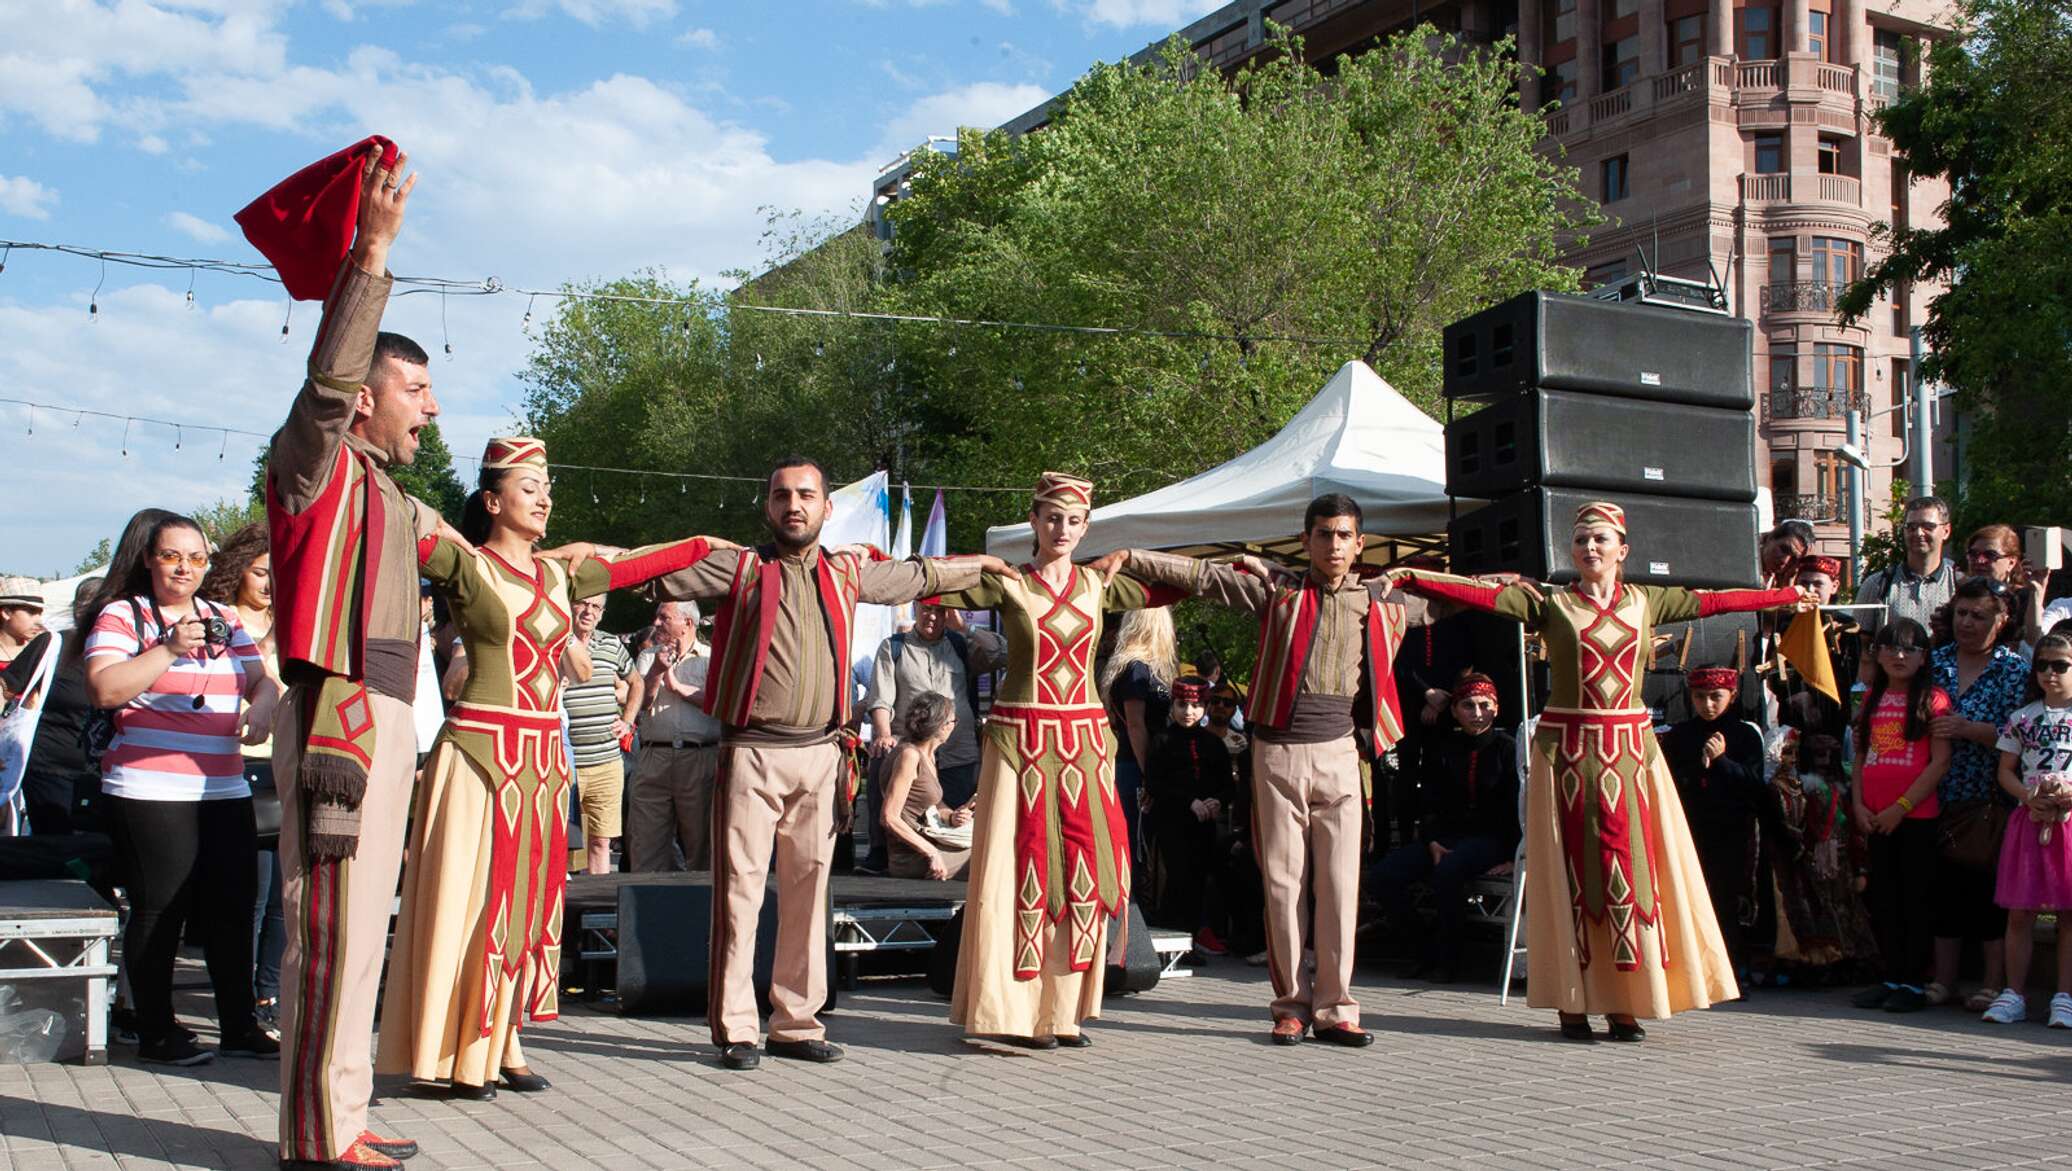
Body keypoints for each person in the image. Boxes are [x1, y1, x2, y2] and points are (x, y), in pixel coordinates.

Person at [377, 437, 725, 1098]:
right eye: (528, 485)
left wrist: (708, 547)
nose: (544, 497)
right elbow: (401, 518)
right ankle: (447, 1051)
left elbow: (637, 564)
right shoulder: (467, 565)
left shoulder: (563, 576)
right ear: (492, 499)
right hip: (480, 753)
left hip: (543, 758)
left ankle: (502, 1040)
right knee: (469, 902)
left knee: (528, 906)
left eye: (547, 485)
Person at [1391, 501, 1813, 1042]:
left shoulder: (1647, 601)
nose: (1590, 548)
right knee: (1572, 876)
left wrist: (1785, 595)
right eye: (1582, 540)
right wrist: (1412, 576)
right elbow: (1485, 594)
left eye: (1601, 540)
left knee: (1632, 875)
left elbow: (1716, 601)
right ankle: (1572, 1002)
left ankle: (1624, 1000)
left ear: (1623, 550)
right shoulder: (1553, 604)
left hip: (1630, 756)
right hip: (1567, 755)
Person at [646, 456, 1005, 1071]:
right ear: (767, 506)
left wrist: (987, 567)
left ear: (825, 508)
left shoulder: (847, 571)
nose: (794, 504)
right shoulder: (739, 566)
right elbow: (658, 572)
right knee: (740, 896)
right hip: (751, 751)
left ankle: (795, 1022)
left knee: (811, 894)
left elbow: (917, 576)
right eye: (782, 494)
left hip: (822, 754)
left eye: (806, 495)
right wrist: (579, 566)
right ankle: (736, 1027)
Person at [1096, 495, 1417, 1048]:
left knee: (1341, 886)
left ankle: (1337, 1007)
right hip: (1277, 754)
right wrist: (1132, 554)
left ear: (1359, 543)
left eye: (1344, 536)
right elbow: (1202, 576)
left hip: (1340, 751)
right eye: (1323, 534)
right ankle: (1291, 1005)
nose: (1333, 545)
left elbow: (1455, 596)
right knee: (1284, 885)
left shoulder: (1380, 599)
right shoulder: (1277, 592)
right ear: (1306, 539)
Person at [929, 472, 1174, 1050]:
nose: (1062, 529)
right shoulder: (1010, 584)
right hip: (1020, 742)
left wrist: (1136, 553)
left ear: (1086, 527)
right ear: (1034, 522)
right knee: (1015, 873)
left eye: (1074, 520)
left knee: (1083, 875)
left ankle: (1062, 1012)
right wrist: (978, 563)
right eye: (1051, 518)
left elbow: (1178, 587)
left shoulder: (1101, 584)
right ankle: (1009, 1012)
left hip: (1085, 746)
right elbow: (931, 589)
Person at [81, 510, 279, 1065]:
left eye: (197, 557)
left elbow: (263, 679)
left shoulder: (221, 616)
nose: (185, 568)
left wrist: (262, 706)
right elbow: (102, 689)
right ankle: (155, 1031)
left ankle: (240, 1026)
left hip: (222, 785)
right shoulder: (125, 616)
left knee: (232, 909)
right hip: (148, 786)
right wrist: (167, 648)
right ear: (148, 558)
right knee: (159, 909)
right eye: (172, 556)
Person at [1367, 672, 1519, 983]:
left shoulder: (1509, 749)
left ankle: (1448, 960)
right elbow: (1429, 801)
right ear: (1454, 710)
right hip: (1445, 837)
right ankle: (1421, 949)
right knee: (1384, 876)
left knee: (1448, 871)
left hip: (1490, 841)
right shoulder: (1444, 747)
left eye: (1484, 705)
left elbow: (1518, 807)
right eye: (1468, 706)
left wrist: (1513, 854)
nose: (1477, 714)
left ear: (1496, 708)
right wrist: (1432, 839)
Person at [198, 524, 288, 1033]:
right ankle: (234, 997)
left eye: (277, 573)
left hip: (286, 758)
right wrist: (273, 636)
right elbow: (245, 671)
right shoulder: (220, 619)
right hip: (237, 760)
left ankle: (269, 993)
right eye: (260, 572)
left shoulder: (293, 616)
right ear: (238, 572)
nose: (270, 583)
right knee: (248, 891)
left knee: (282, 893)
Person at [1928, 575, 2029, 1013]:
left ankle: (1991, 983)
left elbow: (2022, 731)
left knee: (1988, 893)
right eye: (1961, 613)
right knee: (1944, 890)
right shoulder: (1937, 660)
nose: (1967, 623)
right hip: (1936, 791)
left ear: (2001, 619)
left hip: (1989, 798)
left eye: (1978, 616)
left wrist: (1971, 730)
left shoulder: (2014, 669)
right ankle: (1942, 980)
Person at [1847, 619, 1952, 1012]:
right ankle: (1889, 977)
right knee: (1884, 900)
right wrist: (1858, 804)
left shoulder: (1934, 699)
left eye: (1909, 649)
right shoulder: (1871, 697)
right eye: (1890, 648)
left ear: (1924, 657)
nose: (1899, 656)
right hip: (1874, 818)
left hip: (1915, 819)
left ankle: (1912, 982)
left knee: (1915, 900)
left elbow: (1939, 764)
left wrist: (1901, 808)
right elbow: (1860, 757)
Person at [860, 602, 1006, 872]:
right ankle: (883, 852)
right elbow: (880, 698)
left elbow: (1003, 654)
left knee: (955, 821)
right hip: (912, 747)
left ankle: (947, 864)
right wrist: (883, 734)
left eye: (940, 610)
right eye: (927, 609)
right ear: (916, 608)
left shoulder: (960, 645)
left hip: (957, 750)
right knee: (886, 767)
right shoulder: (894, 647)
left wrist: (964, 627)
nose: (932, 616)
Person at [1982, 631, 2072, 1028]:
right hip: (2029, 819)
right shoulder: (2022, 717)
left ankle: (2064, 995)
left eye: (2061, 666)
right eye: (2042, 665)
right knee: (2020, 911)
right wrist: (2028, 796)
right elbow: (2004, 770)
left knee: (2069, 913)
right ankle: (2014, 993)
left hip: (2069, 822)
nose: (2050, 673)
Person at [1660, 666, 1769, 981]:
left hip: (1731, 830)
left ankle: (1731, 970)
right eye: (1700, 697)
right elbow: (1672, 782)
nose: (1708, 705)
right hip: (1691, 828)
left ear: (1732, 696)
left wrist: (1722, 762)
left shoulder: (1745, 735)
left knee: (1726, 900)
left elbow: (1754, 784)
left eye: (1715, 697)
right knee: (1690, 898)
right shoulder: (1680, 735)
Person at [1765, 729, 1879, 979]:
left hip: (1843, 856)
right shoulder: (1799, 787)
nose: (1825, 760)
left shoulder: (1845, 786)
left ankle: (1856, 957)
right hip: (1812, 856)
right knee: (1822, 908)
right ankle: (1830, 960)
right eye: (1818, 755)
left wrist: (1861, 866)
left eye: (1830, 755)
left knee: (1849, 906)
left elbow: (1853, 827)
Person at [2, 577, 104, 836]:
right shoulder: (53, 644)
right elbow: (5, 689)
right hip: (49, 769)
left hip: (103, 773)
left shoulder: (125, 650)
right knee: (57, 851)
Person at [1144, 676, 1236, 957]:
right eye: (1182, 705)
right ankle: (1173, 941)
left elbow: (1227, 786)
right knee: (1179, 878)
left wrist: (1216, 801)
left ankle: (1190, 940)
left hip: (1204, 825)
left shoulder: (1214, 745)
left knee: (1198, 881)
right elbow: (1156, 783)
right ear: (1173, 705)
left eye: (1195, 706)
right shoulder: (1162, 740)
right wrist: (1189, 801)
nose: (1188, 712)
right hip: (1173, 822)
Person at [626, 600, 719, 872]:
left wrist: (677, 688)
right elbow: (640, 702)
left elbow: (719, 702)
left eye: (663, 618)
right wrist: (656, 671)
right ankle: (648, 907)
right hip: (654, 756)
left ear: (687, 624)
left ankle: (701, 909)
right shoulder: (647, 657)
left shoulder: (710, 658)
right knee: (645, 842)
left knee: (701, 845)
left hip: (698, 758)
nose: (655, 623)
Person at [1099, 607, 1177, 877]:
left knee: (1141, 841)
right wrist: (1149, 775)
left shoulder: (1140, 668)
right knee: (1134, 841)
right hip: (1136, 765)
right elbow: (1135, 725)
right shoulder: (1136, 670)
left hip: (1140, 764)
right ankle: (1129, 908)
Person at [561, 593, 636, 875]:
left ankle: (600, 912)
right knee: (561, 842)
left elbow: (635, 682)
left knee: (601, 842)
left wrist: (627, 721)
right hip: (566, 760)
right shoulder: (558, 642)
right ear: (571, 605)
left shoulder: (610, 643)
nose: (589, 612)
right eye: (583, 604)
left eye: (596, 607)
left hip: (606, 761)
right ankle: (562, 913)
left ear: (603, 613)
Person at [880, 692, 972, 881]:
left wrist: (952, 816)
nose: (954, 727)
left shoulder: (928, 755)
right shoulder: (910, 756)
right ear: (943, 726)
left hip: (931, 845)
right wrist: (932, 853)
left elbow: (934, 805)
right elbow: (889, 817)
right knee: (995, 857)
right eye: (953, 721)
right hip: (912, 858)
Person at [1854, 497, 1960, 640]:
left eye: (1928, 526)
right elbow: (1863, 650)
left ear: (1946, 531)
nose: (1918, 533)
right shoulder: (1877, 585)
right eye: (1911, 527)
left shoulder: (1959, 584)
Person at [1, 577, 52, 833]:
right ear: (6, 611)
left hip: (32, 758)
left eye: (40, 612)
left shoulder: (47, 655)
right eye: (30, 611)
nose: (37, 619)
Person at [1761, 520, 1816, 587]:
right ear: (1770, 538)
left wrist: (1787, 582)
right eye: (1784, 549)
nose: (1785, 560)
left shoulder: (1777, 579)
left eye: (1794, 559)